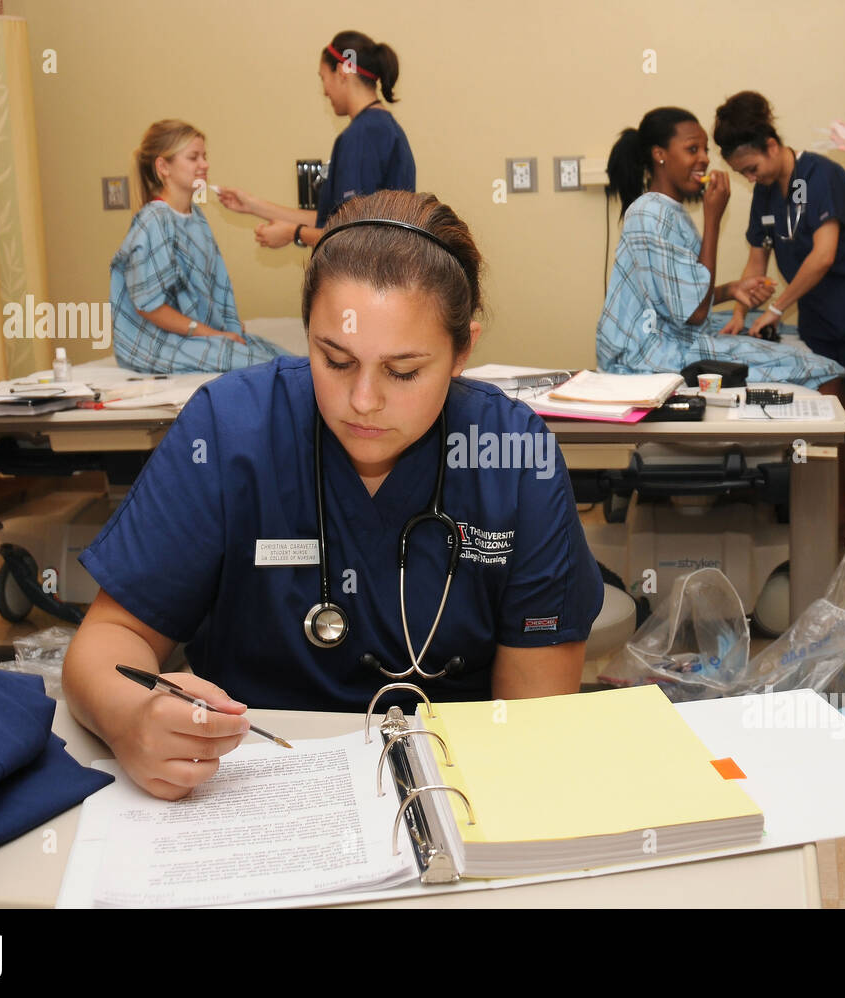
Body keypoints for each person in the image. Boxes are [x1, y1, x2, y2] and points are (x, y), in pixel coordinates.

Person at [65, 190, 604, 800]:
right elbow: (107, 640)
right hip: (247, 792)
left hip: (457, 793)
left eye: (403, 371)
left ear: (463, 350)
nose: (364, 401)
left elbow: (530, 724)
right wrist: (129, 715)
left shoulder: (512, 457)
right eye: (335, 359)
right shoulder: (229, 430)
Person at [599, 107, 845, 549]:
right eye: (692, 150)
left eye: (704, 151)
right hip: (653, 351)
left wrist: (741, 297)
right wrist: (722, 244)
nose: (703, 161)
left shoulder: (817, 176)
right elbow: (691, 308)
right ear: (659, 155)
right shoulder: (657, 213)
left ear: (771, 147)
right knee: (822, 372)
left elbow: (682, 294)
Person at [714, 91, 845, 526]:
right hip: (820, 317)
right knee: (833, 415)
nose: (750, 178)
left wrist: (777, 308)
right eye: (742, 173)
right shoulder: (765, 194)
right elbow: (756, 261)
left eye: (751, 168)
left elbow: (823, 255)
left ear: (770, 146)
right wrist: (740, 314)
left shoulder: (820, 175)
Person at [110, 119, 288, 373]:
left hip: (195, 336)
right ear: (163, 166)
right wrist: (211, 334)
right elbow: (148, 306)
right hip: (155, 345)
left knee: (286, 361)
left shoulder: (196, 218)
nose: (205, 164)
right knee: (265, 369)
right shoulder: (153, 222)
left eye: (204, 156)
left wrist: (225, 329)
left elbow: (211, 286)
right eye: (193, 157)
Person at [216, 31, 415, 250]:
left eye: (323, 78)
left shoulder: (361, 135)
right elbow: (331, 220)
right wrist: (253, 205)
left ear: (341, 71)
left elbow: (352, 234)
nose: (324, 92)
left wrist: (294, 233)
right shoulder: (384, 128)